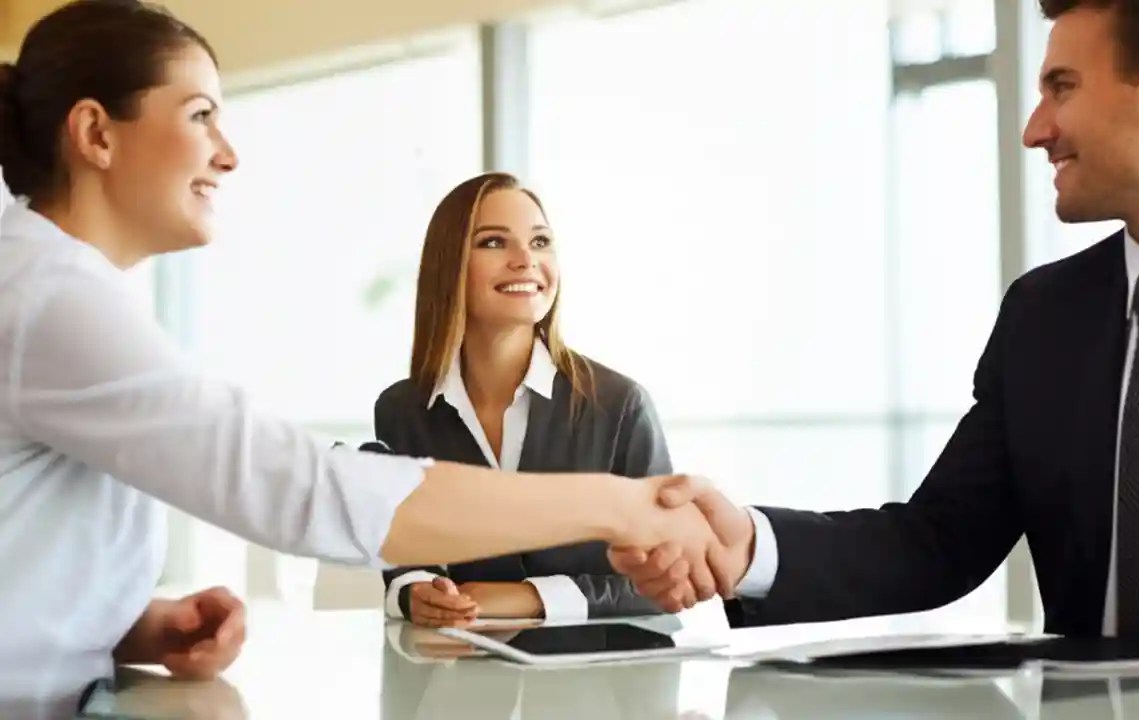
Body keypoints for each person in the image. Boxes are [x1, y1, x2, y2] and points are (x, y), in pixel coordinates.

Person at [0, 0, 718, 708]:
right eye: (199, 115)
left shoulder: (54, 290)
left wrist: (129, 629)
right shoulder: (52, 298)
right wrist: (621, 506)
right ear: (96, 133)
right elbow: (304, 490)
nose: (228, 151)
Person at [614, 0, 1139, 651]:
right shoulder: (1045, 317)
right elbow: (939, 540)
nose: (1035, 129)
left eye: (1061, 87)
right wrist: (750, 547)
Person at [375, 172, 673, 626]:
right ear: (448, 264)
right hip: (457, 681)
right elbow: (403, 545)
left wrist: (530, 597)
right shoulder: (402, 411)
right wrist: (411, 590)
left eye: (540, 242)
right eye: (494, 243)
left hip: (596, 685)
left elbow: (663, 580)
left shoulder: (619, 406)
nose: (525, 261)